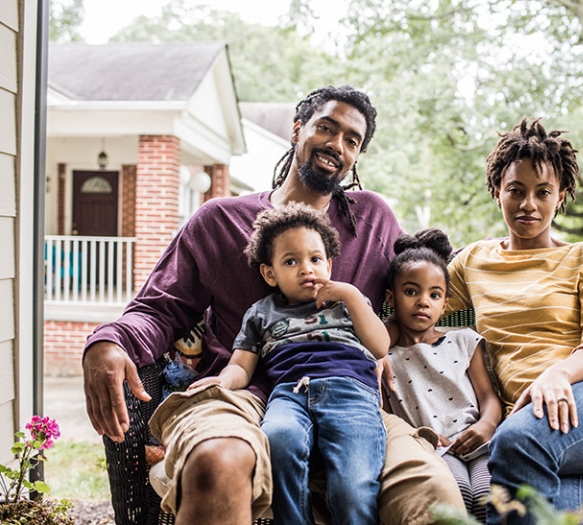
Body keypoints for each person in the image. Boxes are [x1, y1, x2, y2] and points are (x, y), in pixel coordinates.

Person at [82, 84, 465, 525]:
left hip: (351, 397)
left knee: (434, 495)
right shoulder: (220, 221)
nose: (336, 145)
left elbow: (423, 282)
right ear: (298, 129)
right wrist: (108, 343)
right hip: (243, 394)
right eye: (326, 127)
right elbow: (159, 308)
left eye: (352, 140)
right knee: (216, 461)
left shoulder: (372, 219)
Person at [443, 118, 583, 524]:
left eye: (543, 192)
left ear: (560, 197)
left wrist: (558, 375)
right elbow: (418, 305)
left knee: (517, 441)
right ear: (497, 193)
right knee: (553, 509)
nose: (529, 204)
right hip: (547, 425)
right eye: (516, 191)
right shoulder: (473, 261)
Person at [190, 203, 388, 524]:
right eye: (291, 261)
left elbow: (380, 347)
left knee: (353, 486)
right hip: (290, 395)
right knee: (278, 439)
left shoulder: (348, 302)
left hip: (352, 394)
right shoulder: (261, 313)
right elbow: (241, 365)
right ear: (270, 274)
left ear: (329, 264)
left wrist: (351, 295)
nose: (306, 269)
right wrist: (223, 381)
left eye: (315, 259)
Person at [383, 228, 503, 522]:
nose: (423, 301)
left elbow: (489, 397)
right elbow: (385, 414)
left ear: (444, 305)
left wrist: (486, 425)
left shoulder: (463, 340)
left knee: (489, 497)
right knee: (455, 495)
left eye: (434, 295)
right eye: (411, 291)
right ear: (391, 298)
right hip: (431, 450)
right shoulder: (385, 358)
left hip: (477, 441)